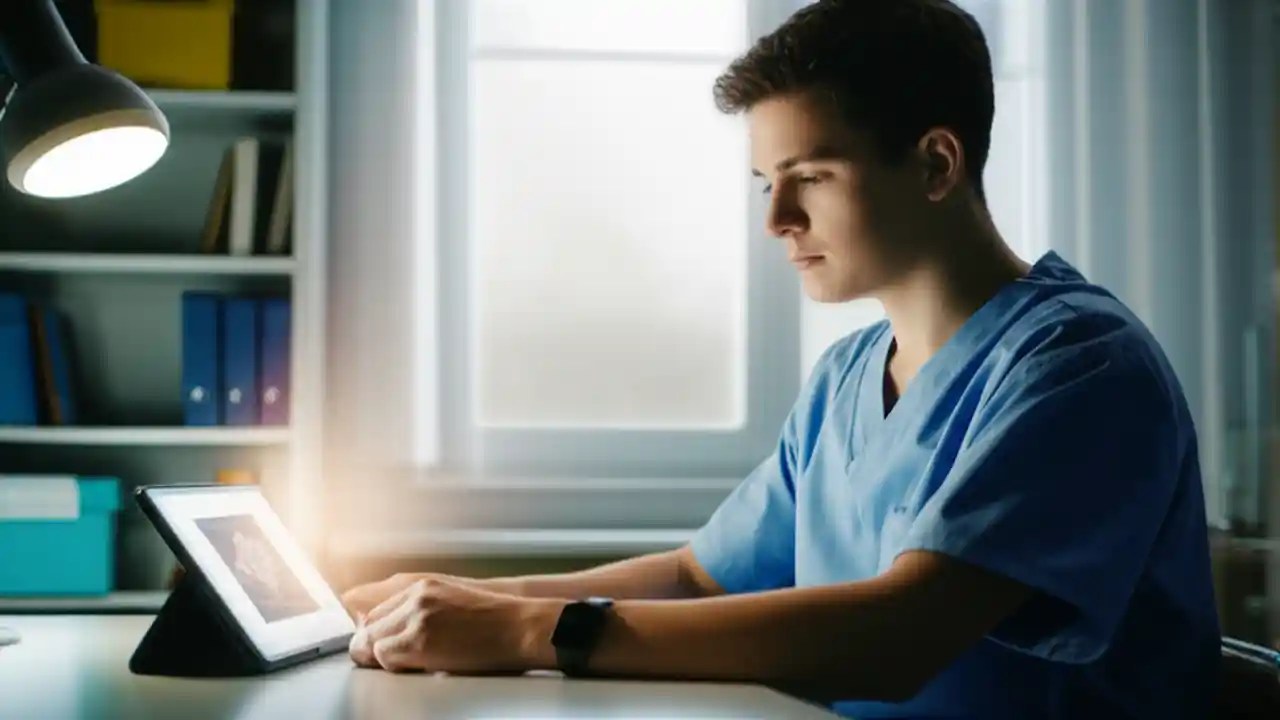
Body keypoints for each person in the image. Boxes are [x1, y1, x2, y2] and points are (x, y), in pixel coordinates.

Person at [340, 1, 1220, 716]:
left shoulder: (1081, 369)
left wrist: (531, 631)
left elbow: (897, 638)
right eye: (769, 184)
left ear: (937, 163)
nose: (776, 221)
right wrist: (459, 594)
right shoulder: (847, 376)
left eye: (813, 177)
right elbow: (699, 576)